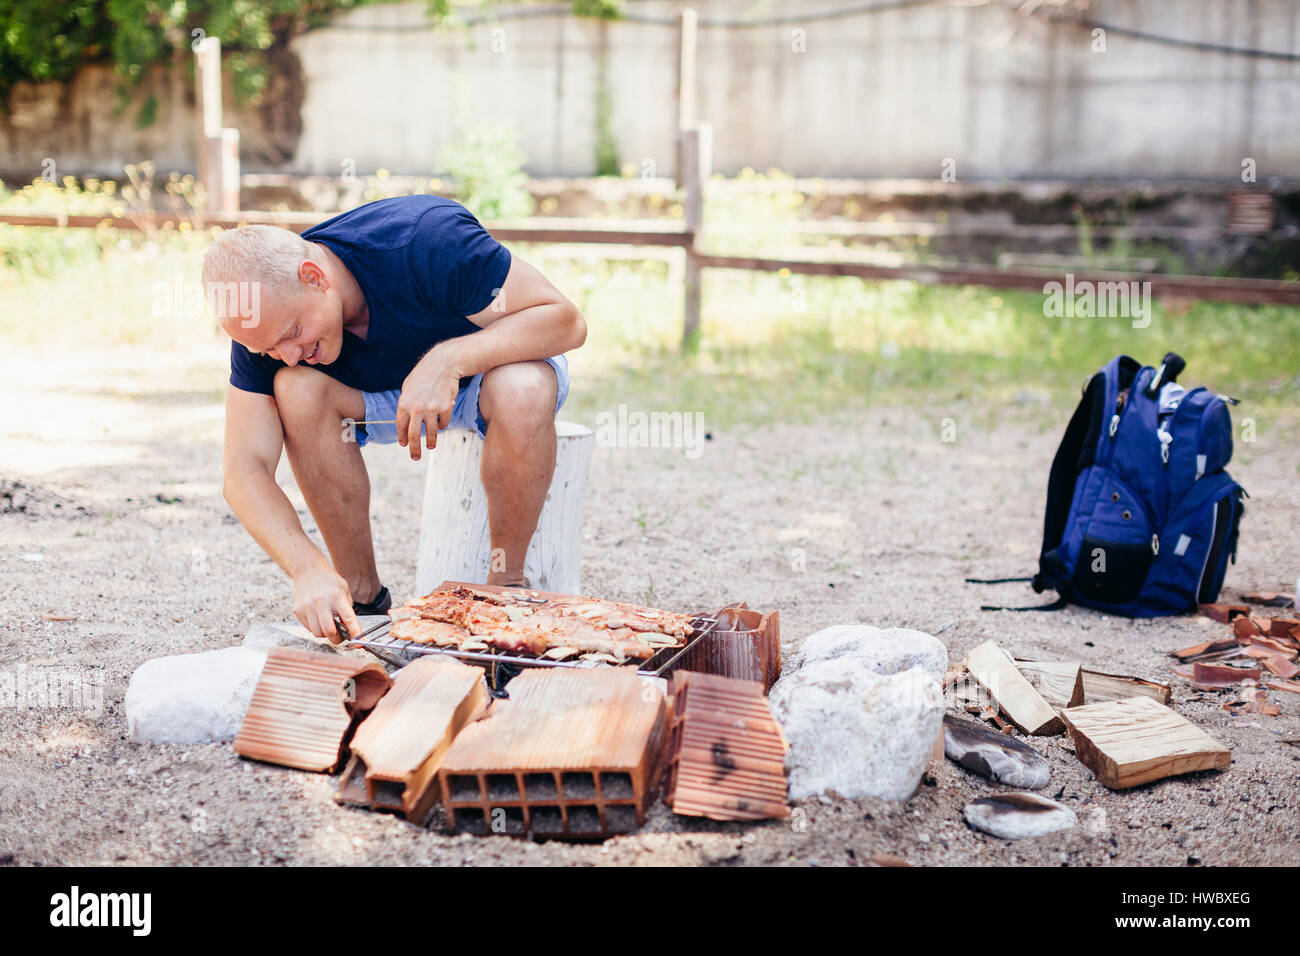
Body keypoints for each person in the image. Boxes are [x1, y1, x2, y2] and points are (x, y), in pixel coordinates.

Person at [202, 195, 585, 643]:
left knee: (523, 389)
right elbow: (242, 470)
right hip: (383, 396)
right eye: (267, 350)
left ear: (314, 277)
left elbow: (565, 321)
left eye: (292, 334)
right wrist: (307, 569)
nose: (286, 355)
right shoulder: (266, 323)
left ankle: (505, 591)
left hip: (488, 370)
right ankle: (360, 601)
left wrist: (448, 360)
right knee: (296, 387)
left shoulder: (425, 240)